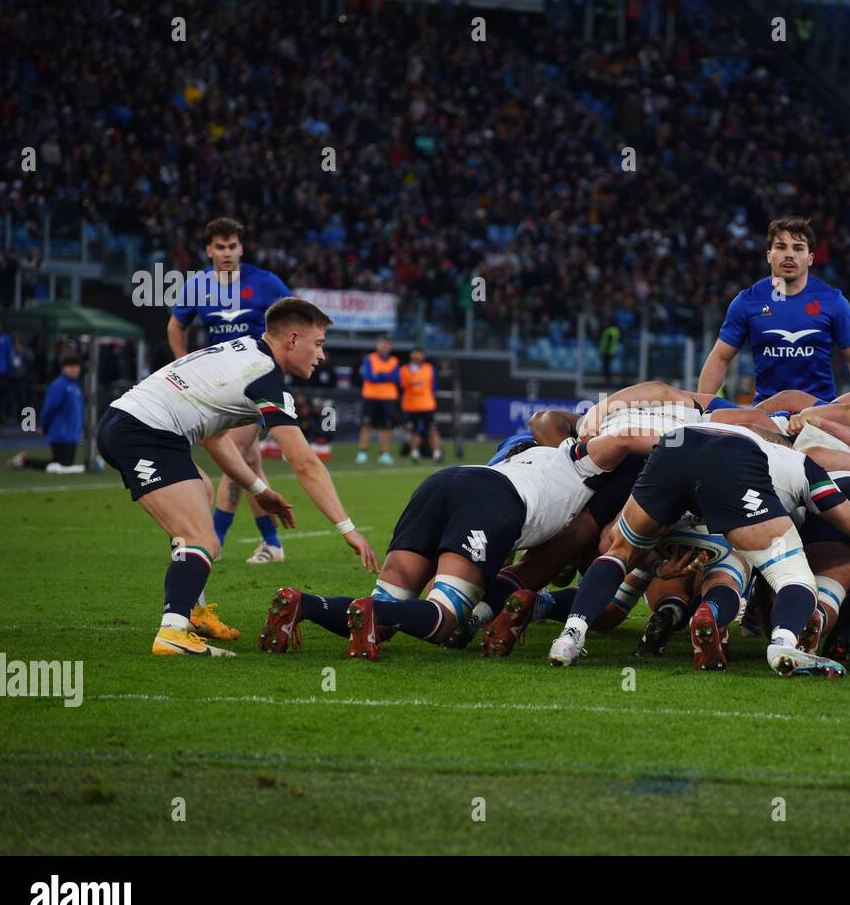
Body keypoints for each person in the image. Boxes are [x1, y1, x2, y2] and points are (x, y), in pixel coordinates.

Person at [97, 297, 379, 657]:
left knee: (202, 487)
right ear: (292, 340)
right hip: (144, 433)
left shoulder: (243, 349)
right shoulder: (266, 380)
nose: (322, 356)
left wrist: (258, 489)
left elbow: (214, 438)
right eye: (318, 344)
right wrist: (347, 528)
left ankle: (194, 611)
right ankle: (173, 632)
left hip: (132, 424)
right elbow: (306, 464)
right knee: (203, 539)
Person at [547, 421, 850, 676]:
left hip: (674, 444)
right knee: (792, 575)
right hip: (733, 464)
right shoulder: (799, 461)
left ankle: (571, 635)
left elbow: (607, 537)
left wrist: (659, 560)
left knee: (620, 552)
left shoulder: (718, 425)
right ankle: (783, 644)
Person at [258, 429, 654, 659]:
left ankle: (303, 604)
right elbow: (620, 440)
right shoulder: (580, 460)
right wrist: (675, 441)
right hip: (491, 499)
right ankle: (372, 609)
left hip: (442, 482)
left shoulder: (530, 458)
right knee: (443, 616)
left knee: (393, 613)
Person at [167, 217, 294, 564]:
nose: (227, 253)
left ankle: (213, 541)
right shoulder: (197, 286)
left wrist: (281, 361)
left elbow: (296, 317)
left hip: (255, 382)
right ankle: (272, 544)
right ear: (209, 250)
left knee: (233, 457)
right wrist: (184, 365)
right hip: (215, 384)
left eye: (232, 246)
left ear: (241, 247)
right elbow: (176, 326)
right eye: (220, 247)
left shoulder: (265, 283)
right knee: (249, 462)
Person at [697, 216, 850, 404]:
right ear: (769, 255)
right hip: (766, 415)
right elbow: (720, 358)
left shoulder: (833, 301)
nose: (789, 254)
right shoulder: (746, 302)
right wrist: (702, 409)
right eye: (781, 247)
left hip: (821, 414)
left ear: (810, 258)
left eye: (798, 248)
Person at [5, 354, 86, 473]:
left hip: (72, 433)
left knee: (65, 465)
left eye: (77, 366)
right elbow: (49, 408)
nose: (75, 369)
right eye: (72, 366)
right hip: (61, 433)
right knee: (62, 466)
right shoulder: (58, 385)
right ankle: (24, 461)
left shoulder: (75, 386)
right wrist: (44, 425)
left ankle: (23, 461)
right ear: (64, 368)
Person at [357, 336, 401, 464]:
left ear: (390, 347)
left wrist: (380, 375)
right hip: (370, 397)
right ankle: (362, 452)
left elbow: (395, 377)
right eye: (382, 344)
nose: (384, 347)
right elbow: (369, 376)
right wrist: (385, 376)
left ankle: (384, 453)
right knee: (366, 424)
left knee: (386, 426)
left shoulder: (394, 360)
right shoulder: (369, 358)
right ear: (377, 345)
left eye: (387, 345)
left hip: (387, 398)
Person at [399, 346, 442, 462]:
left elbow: (434, 387)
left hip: (427, 405)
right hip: (410, 405)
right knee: (413, 430)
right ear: (411, 355)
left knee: (432, 429)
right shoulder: (404, 370)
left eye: (420, 354)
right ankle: (414, 453)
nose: (417, 356)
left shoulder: (429, 368)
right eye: (415, 353)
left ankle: (437, 453)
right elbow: (402, 387)